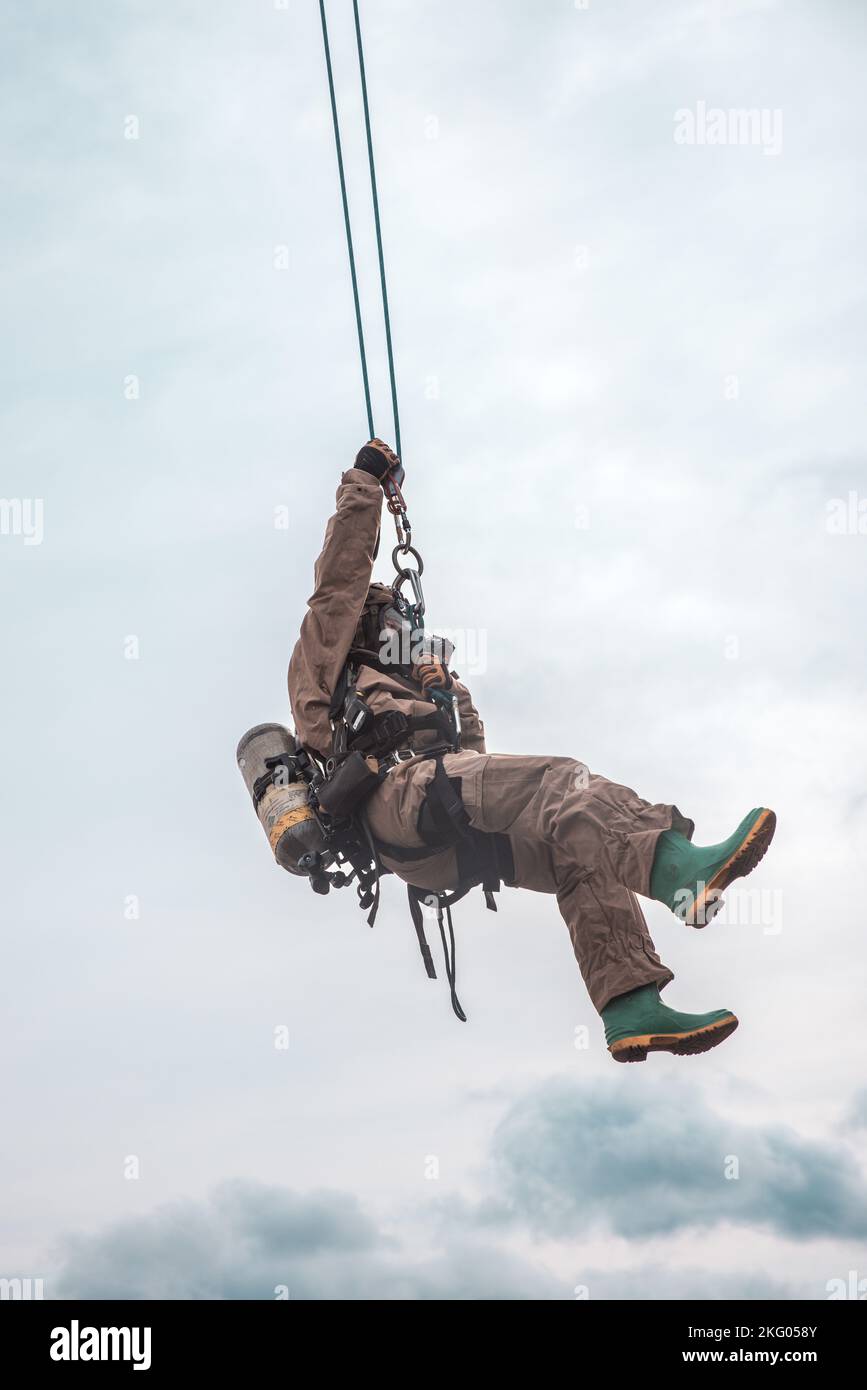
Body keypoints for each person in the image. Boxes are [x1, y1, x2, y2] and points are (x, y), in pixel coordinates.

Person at [288, 440, 776, 1061]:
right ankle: (680, 869)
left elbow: (473, 761)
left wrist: (451, 697)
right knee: (561, 782)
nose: (404, 637)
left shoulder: (415, 685)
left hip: (437, 836)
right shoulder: (328, 660)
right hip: (393, 801)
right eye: (392, 626)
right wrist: (365, 484)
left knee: (578, 843)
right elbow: (339, 582)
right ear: (366, 626)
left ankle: (631, 1005)